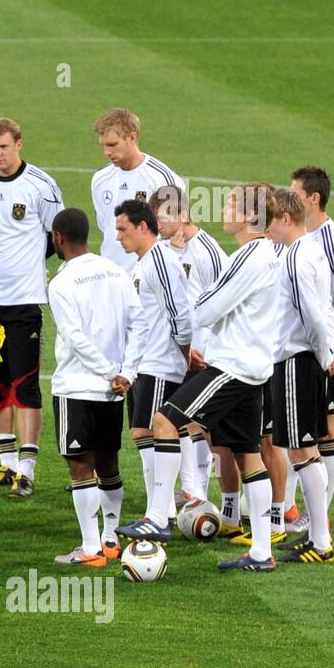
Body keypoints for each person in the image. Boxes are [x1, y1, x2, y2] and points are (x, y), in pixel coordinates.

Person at [117, 183, 285, 572]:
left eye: (231, 204)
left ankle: (158, 518)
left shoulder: (249, 256)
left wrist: (192, 301)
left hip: (231, 366)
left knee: (163, 421)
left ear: (248, 216)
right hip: (254, 366)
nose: (224, 209)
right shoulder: (265, 254)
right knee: (248, 455)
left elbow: (205, 311)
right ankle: (261, 552)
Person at [0, 118, 63, 497]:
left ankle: (28, 468)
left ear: (19, 144)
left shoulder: (42, 185)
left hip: (24, 302)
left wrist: (32, 268)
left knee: (25, 387)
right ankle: (6, 464)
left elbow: (58, 235)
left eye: (3, 147)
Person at [46, 208, 145, 566]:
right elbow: (139, 324)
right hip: (113, 390)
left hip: (78, 387)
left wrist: (109, 373)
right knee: (108, 461)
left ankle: (90, 550)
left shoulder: (60, 283)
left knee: (80, 466)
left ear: (58, 237)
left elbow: (75, 338)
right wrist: (126, 374)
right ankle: (111, 539)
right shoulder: (117, 272)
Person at [264, 189, 334, 563]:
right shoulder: (311, 250)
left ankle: (321, 541)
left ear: (285, 219)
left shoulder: (295, 258)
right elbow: (325, 308)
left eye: (270, 220)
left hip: (296, 359)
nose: (267, 228)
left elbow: (312, 314)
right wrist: (331, 351)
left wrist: (324, 351)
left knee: (301, 448)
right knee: (304, 448)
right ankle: (316, 534)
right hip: (306, 358)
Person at [149, 185, 228, 508]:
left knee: (201, 424)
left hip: (206, 352)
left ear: (183, 215)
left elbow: (223, 302)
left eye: (163, 218)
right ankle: (192, 489)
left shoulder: (207, 251)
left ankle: (202, 493)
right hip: (183, 350)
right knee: (182, 419)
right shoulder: (170, 247)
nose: (159, 225)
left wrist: (209, 349)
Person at [115, 199, 192, 533]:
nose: (118, 237)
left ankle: (159, 516)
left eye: (123, 229)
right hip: (146, 363)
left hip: (162, 362)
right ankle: (159, 512)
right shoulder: (144, 264)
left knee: (153, 431)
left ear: (143, 227)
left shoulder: (160, 261)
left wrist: (188, 356)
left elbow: (180, 313)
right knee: (142, 432)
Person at [290, 166, 334, 523]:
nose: (291, 199)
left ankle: (320, 514)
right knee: (299, 430)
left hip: (324, 351)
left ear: (313, 198)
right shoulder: (303, 237)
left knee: (324, 428)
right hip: (307, 347)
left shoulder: (330, 241)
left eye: (296, 193)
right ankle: (292, 507)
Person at [89, 108, 185, 272]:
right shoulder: (100, 179)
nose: (107, 152)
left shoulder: (162, 179)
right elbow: (106, 227)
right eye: (103, 146)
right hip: (111, 276)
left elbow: (177, 233)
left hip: (148, 277)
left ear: (132, 137)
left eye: (113, 145)